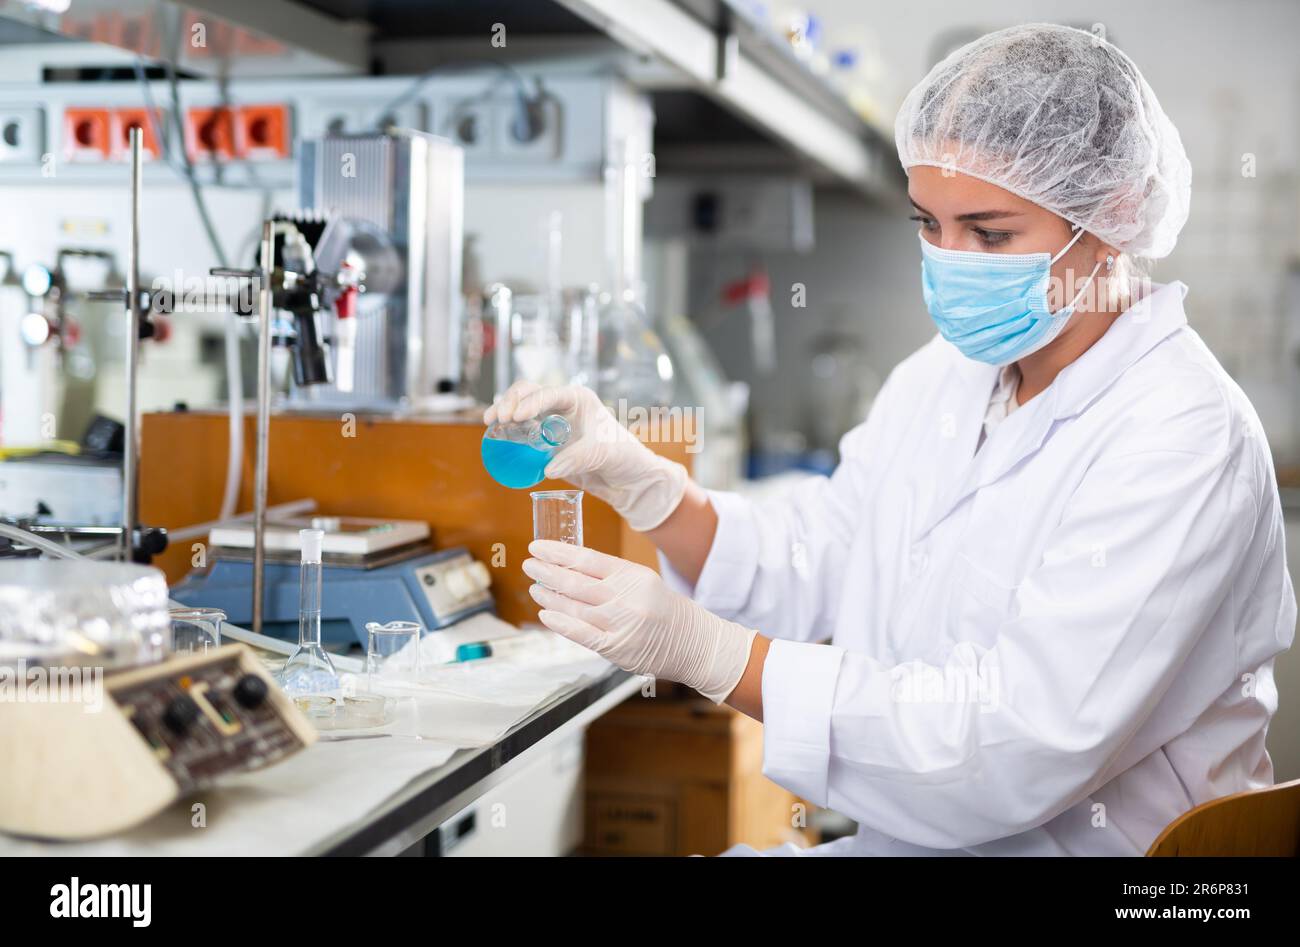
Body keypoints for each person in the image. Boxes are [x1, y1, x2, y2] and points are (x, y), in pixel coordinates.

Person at [486, 23, 1296, 856]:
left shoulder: (1184, 437)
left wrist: (700, 648)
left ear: (1114, 217)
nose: (951, 263)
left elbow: (1010, 748)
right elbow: (815, 557)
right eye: (928, 224)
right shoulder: (947, 376)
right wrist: (645, 483)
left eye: (989, 234)